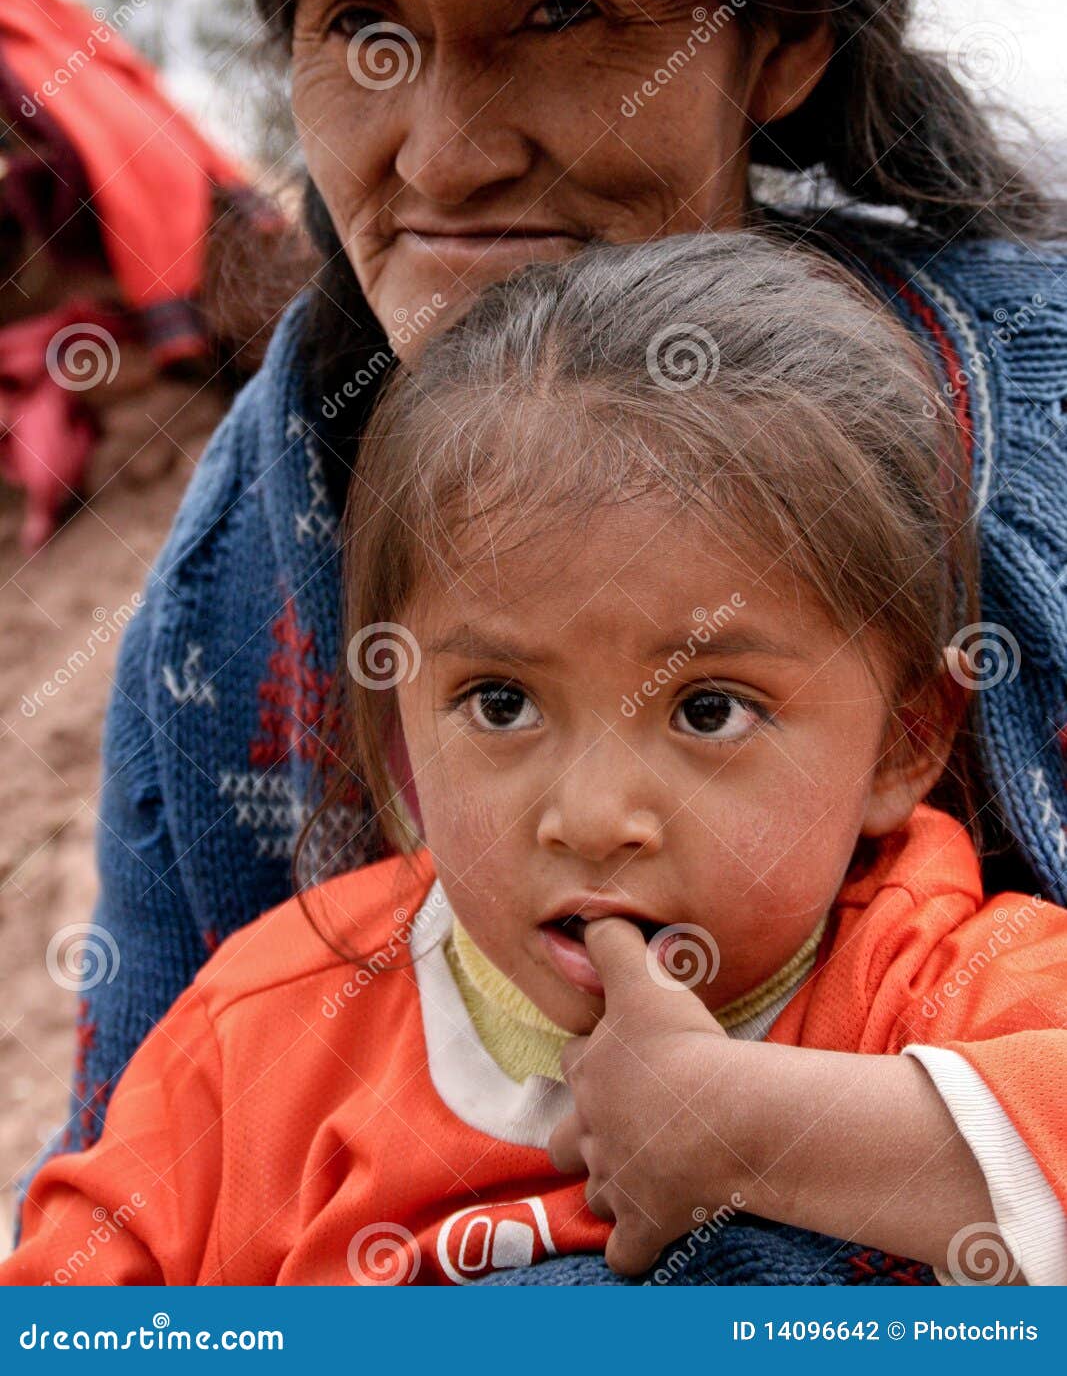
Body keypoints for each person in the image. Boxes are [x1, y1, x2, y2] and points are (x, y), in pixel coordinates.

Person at [19, 0, 1067, 1287]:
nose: (438, 156)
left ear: (776, 35)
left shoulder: (1025, 441)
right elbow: (138, 1190)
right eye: (363, 27)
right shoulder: (245, 569)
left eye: (560, 11)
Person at [8, 234, 1067, 1287]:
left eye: (708, 710)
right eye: (500, 702)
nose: (594, 816)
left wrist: (753, 1132)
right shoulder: (266, 1035)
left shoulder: (924, 980)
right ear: (399, 741)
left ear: (902, 739)